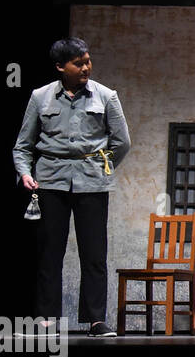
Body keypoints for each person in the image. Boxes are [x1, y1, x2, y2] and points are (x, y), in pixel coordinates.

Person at [13, 37, 131, 337]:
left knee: (94, 253)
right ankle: (46, 320)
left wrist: (101, 167)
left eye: (88, 61)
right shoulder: (41, 97)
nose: (86, 67)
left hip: (92, 182)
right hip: (50, 180)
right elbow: (23, 146)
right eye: (78, 63)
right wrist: (25, 173)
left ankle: (95, 320)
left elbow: (122, 142)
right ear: (60, 66)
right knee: (49, 252)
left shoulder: (105, 96)